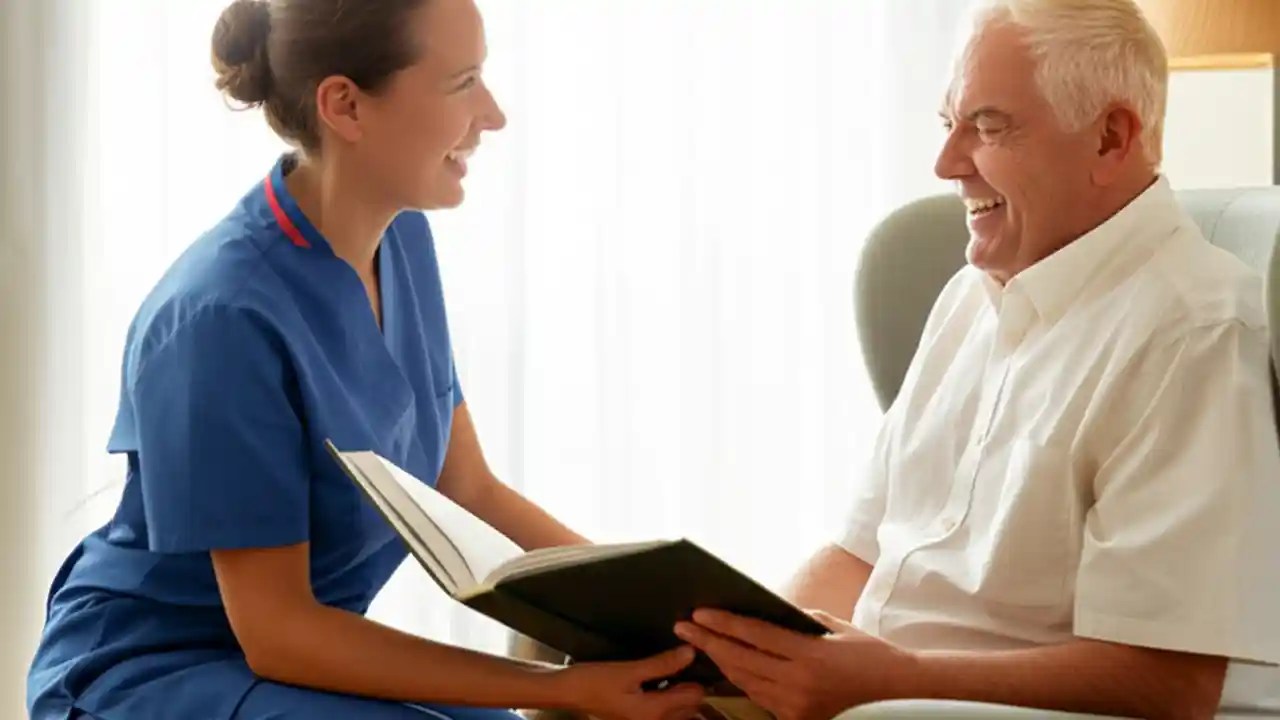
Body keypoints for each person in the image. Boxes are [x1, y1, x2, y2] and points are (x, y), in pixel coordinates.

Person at [25, 1, 708, 718]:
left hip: (290, 657)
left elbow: (468, 485)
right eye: (463, 82)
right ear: (345, 105)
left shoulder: (400, 239)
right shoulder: (218, 321)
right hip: (151, 674)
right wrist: (559, 689)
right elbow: (278, 632)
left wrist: (657, 619)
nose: (494, 113)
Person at [672, 1, 1280, 718]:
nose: (946, 163)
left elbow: (1167, 685)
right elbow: (857, 557)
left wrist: (893, 681)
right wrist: (727, 667)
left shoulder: (1193, 332)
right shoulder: (969, 295)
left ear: (1112, 138)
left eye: (989, 127)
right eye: (947, 124)